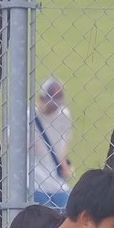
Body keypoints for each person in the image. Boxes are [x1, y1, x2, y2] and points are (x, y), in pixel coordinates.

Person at [29, 77, 74, 209]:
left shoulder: (63, 115)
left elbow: (62, 146)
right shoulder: (28, 117)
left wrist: (65, 166)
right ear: (41, 99)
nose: (54, 108)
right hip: (35, 183)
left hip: (58, 183)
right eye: (50, 104)